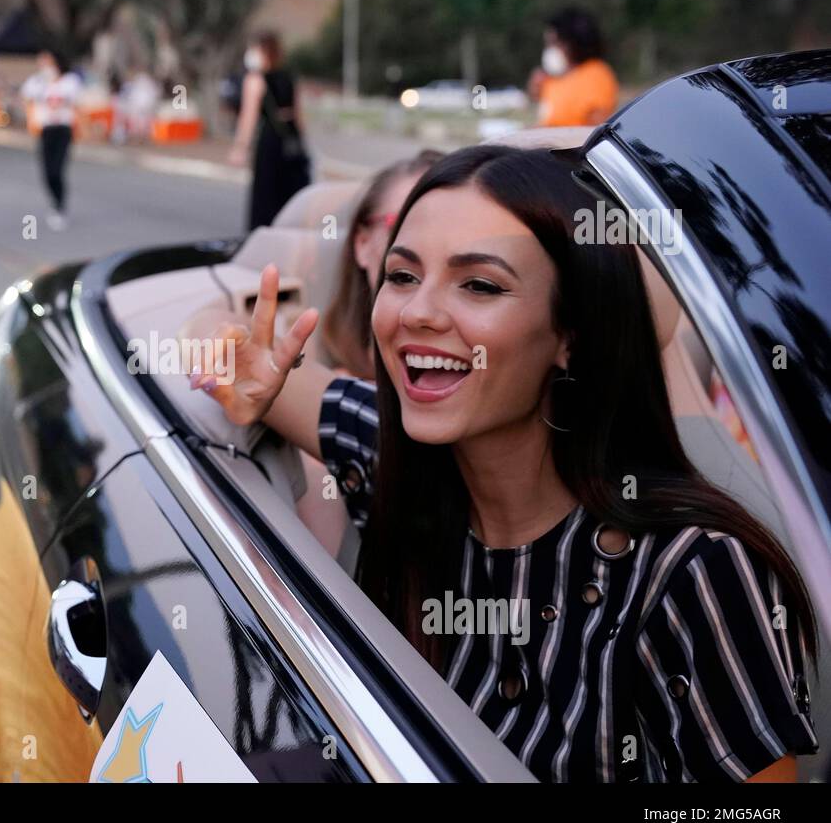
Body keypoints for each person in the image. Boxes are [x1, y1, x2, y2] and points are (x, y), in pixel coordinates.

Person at [188, 145, 818, 782]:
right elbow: (226, 350)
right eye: (402, 276)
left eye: (480, 285)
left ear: (570, 335)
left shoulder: (689, 569)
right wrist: (220, 349)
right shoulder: (403, 457)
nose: (418, 313)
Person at [321, 151, 444, 378]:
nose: (428, 245)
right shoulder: (328, 390)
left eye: (450, 226)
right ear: (363, 244)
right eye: (401, 224)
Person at [229, 31, 311, 231]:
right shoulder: (289, 77)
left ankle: (266, 241)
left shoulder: (255, 80)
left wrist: (240, 148)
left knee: (267, 196)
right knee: (290, 197)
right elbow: (299, 116)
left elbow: (248, 117)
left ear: (263, 51)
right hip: (291, 141)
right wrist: (301, 144)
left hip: (270, 142)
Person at [21, 49, 82, 231]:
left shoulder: (70, 82)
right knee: (47, 172)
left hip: (63, 129)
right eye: (42, 63)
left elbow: (77, 104)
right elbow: (27, 99)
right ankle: (54, 201)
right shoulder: (36, 83)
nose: (45, 67)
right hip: (46, 130)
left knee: (57, 169)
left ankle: (59, 206)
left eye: (48, 63)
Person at [527, 7, 619, 128]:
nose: (550, 49)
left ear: (571, 44)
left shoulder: (596, 75)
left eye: (554, 43)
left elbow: (594, 132)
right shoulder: (554, 78)